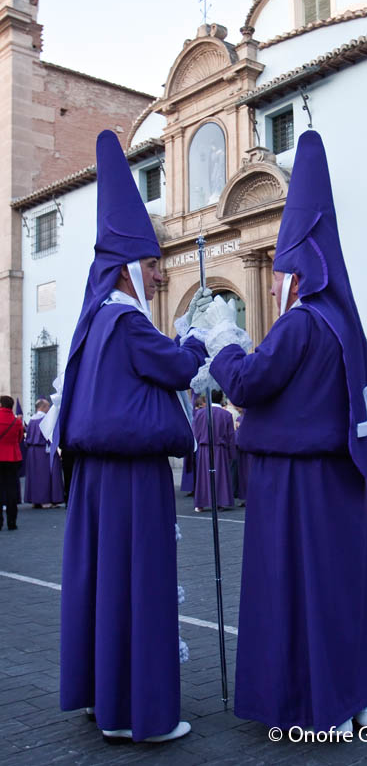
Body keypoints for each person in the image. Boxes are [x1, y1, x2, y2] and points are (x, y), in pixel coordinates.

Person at [194, 131, 367, 733]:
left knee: (295, 591)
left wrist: (223, 338)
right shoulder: (343, 324)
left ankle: (309, 703)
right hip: (337, 478)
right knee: (342, 590)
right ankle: (359, 697)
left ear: (297, 274)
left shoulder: (300, 322)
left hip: (292, 481)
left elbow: (249, 384)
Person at [52, 131, 210, 744]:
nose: (157, 270)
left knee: (104, 585)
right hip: (131, 475)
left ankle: (106, 697)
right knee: (137, 585)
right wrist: (198, 337)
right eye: (150, 263)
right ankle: (139, 712)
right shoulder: (127, 318)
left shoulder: (93, 320)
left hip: (95, 477)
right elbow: (174, 367)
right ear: (126, 269)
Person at [193, 389, 235, 512]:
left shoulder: (200, 414)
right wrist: (231, 454)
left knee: (203, 476)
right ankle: (220, 501)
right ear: (221, 399)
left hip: (204, 448)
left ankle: (200, 503)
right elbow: (230, 436)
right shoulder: (226, 415)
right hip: (220, 449)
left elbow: (195, 433)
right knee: (220, 475)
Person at [25, 399, 65, 509]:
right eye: (47, 407)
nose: (48, 409)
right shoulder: (45, 419)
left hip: (32, 451)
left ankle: (36, 500)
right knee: (44, 476)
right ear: (43, 407)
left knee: (35, 476)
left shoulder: (32, 420)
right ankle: (45, 499)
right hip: (44, 451)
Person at [0, 395, 23, 531]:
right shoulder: (17, 422)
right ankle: (12, 521)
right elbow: (20, 438)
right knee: (12, 490)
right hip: (13, 458)